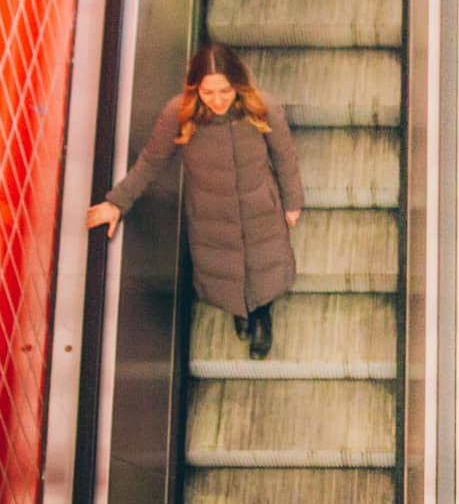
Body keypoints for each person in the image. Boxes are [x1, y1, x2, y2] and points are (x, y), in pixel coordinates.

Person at [87, 42, 304, 359]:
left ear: (239, 85)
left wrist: (292, 202)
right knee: (226, 272)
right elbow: (151, 161)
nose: (217, 101)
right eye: (209, 92)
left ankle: (260, 319)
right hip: (211, 217)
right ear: (195, 89)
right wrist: (116, 203)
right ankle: (240, 313)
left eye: (226, 91)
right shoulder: (180, 113)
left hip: (260, 210)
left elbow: (285, 157)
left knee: (263, 268)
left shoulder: (262, 107)